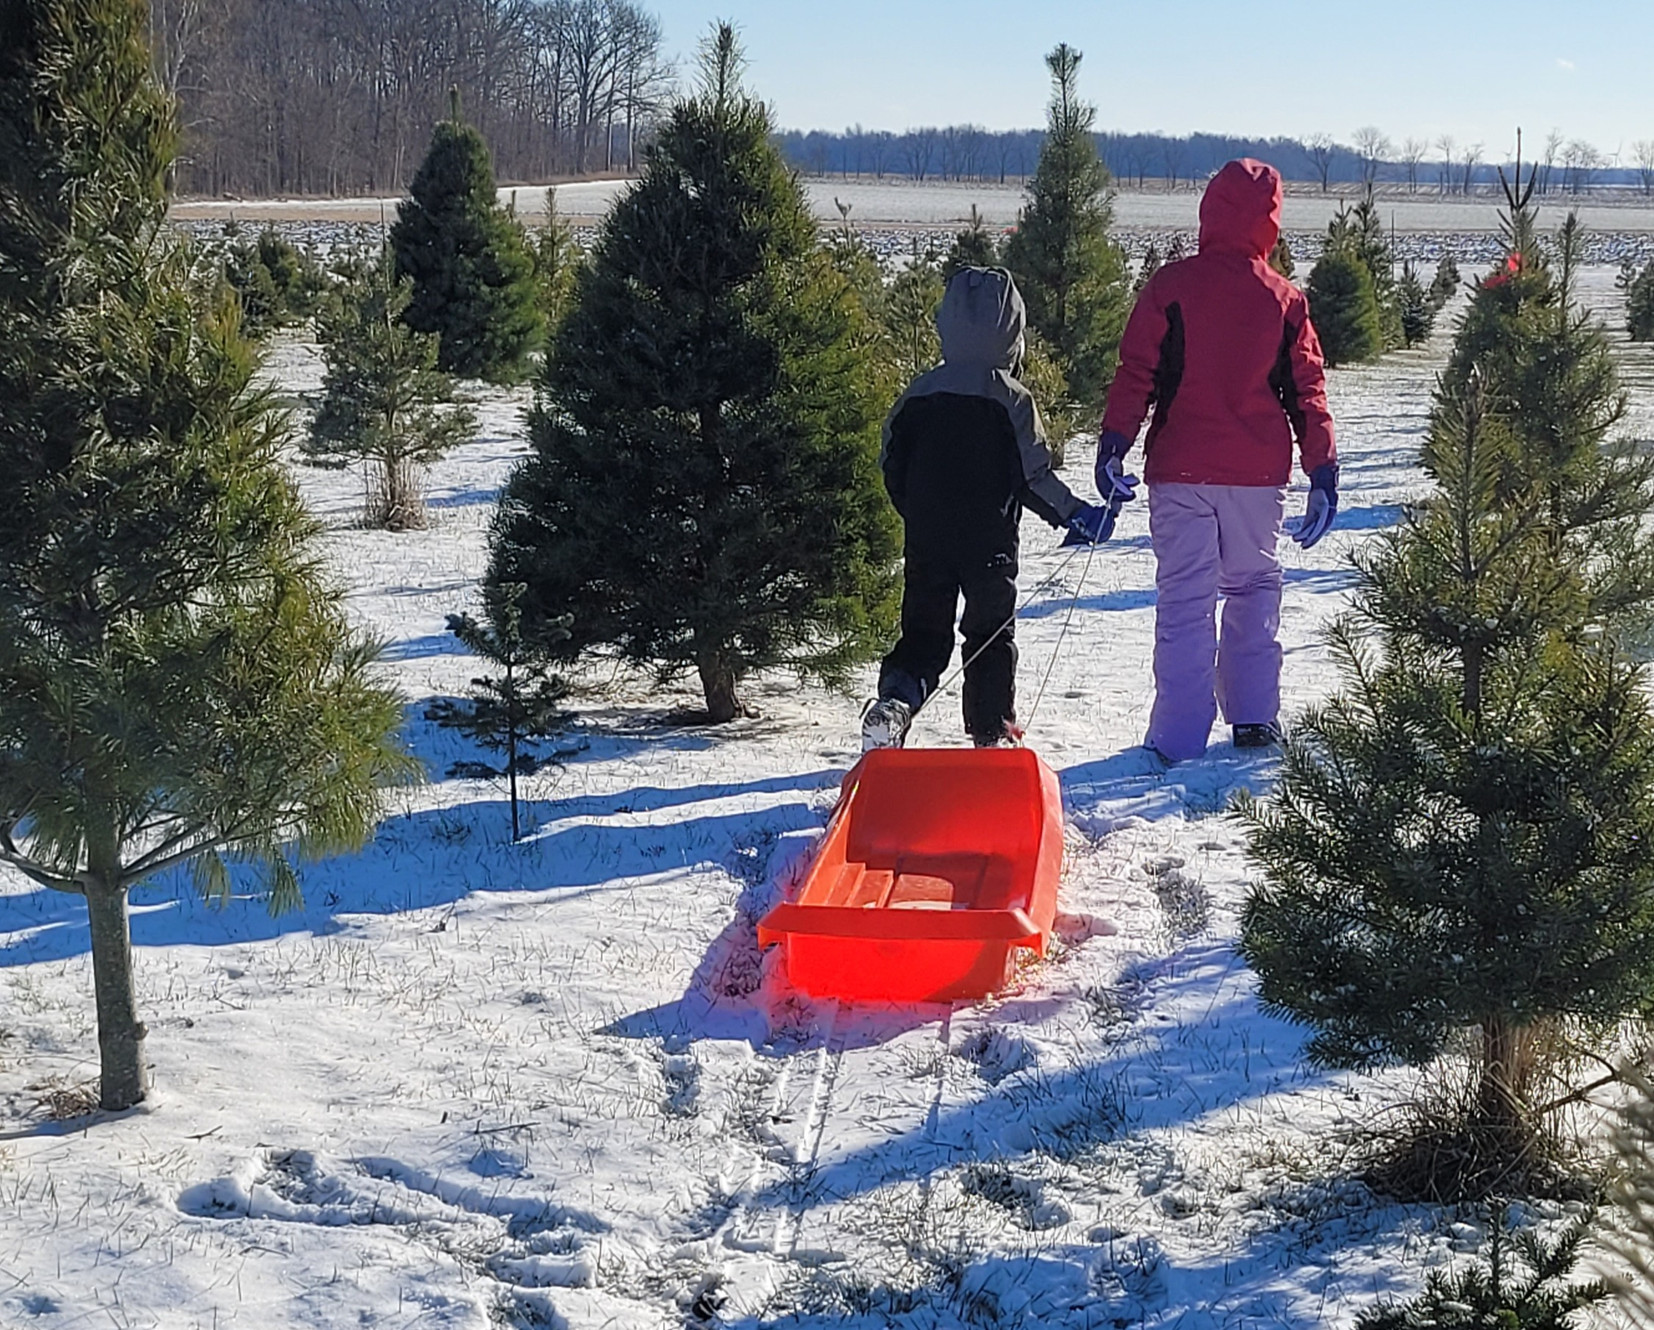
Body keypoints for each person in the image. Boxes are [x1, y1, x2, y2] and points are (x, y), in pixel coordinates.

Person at [1097, 157, 1337, 762]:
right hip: (1257, 473)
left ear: (1209, 210)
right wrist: (1322, 471)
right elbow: (1307, 391)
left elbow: (1136, 374)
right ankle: (1253, 718)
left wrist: (1115, 444)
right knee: (1253, 588)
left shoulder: (1170, 287)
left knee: (1185, 599)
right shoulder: (1284, 299)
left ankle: (1177, 736)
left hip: (1180, 468)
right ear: (1270, 221)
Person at [862, 266, 1117, 752]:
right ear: (1011, 333)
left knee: (923, 631)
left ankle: (894, 704)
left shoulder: (919, 393)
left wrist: (916, 511)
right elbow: (1032, 475)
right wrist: (1075, 514)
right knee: (989, 633)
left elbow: (892, 460)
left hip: (927, 538)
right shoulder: (1011, 399)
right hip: (990, 544)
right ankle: (992, 732)